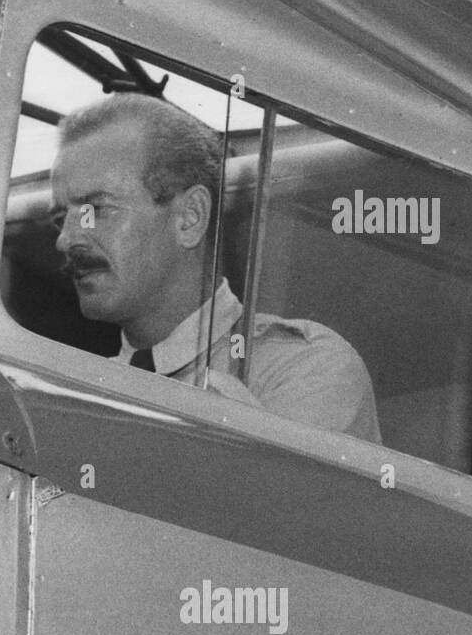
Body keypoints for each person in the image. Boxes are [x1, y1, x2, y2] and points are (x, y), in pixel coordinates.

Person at [51, 93, 381, 443]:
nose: (65, 240)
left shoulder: (305, 368)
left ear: (190, 218)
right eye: (60, 218)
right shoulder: (76, 398)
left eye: (96, 210)